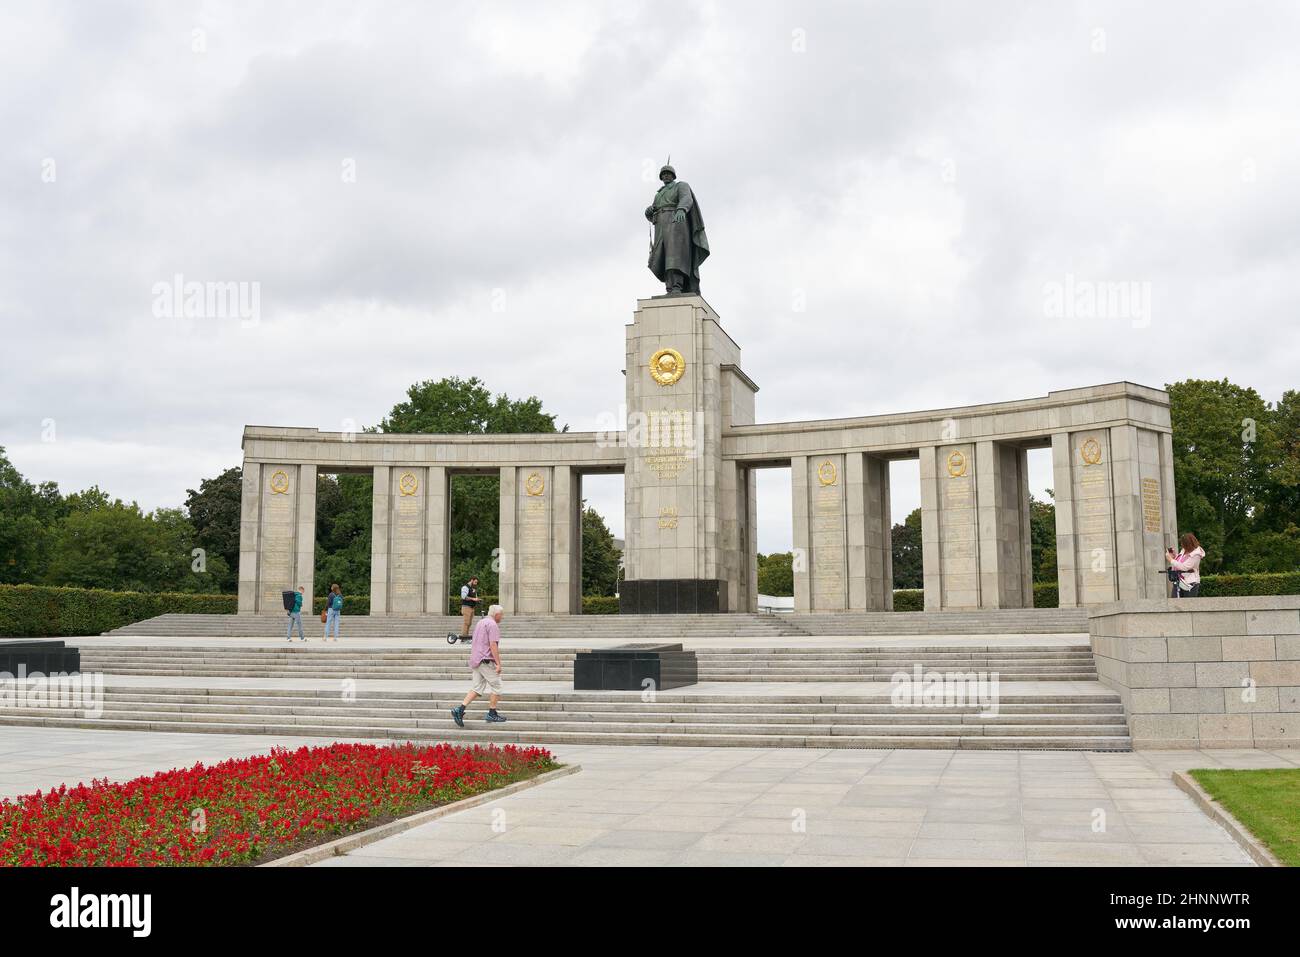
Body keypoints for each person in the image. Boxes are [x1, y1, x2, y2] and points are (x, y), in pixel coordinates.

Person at [450, 604, 506, 726]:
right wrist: (498, 664)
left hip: (476, 659)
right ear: (497, 615)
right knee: (497, 686)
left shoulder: (481, 622)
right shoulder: (493, 625)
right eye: (501, 615)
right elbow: (493, 645)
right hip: (486, 660)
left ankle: (459, 710)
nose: (502, 617)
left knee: (477, 688)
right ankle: (492, 713)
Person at [1167, 534, 1206, 598]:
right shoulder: (1184, 550)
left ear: (1188, 544)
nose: (1181, 545)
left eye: (1183, 543)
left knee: (1188, 605)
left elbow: (1184, 567)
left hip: (1190, 583)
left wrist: (1170, 560)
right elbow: (1181, 561)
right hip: (1179, 581)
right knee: (1174, 603)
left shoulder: (1196, 555)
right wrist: (1175, 556)